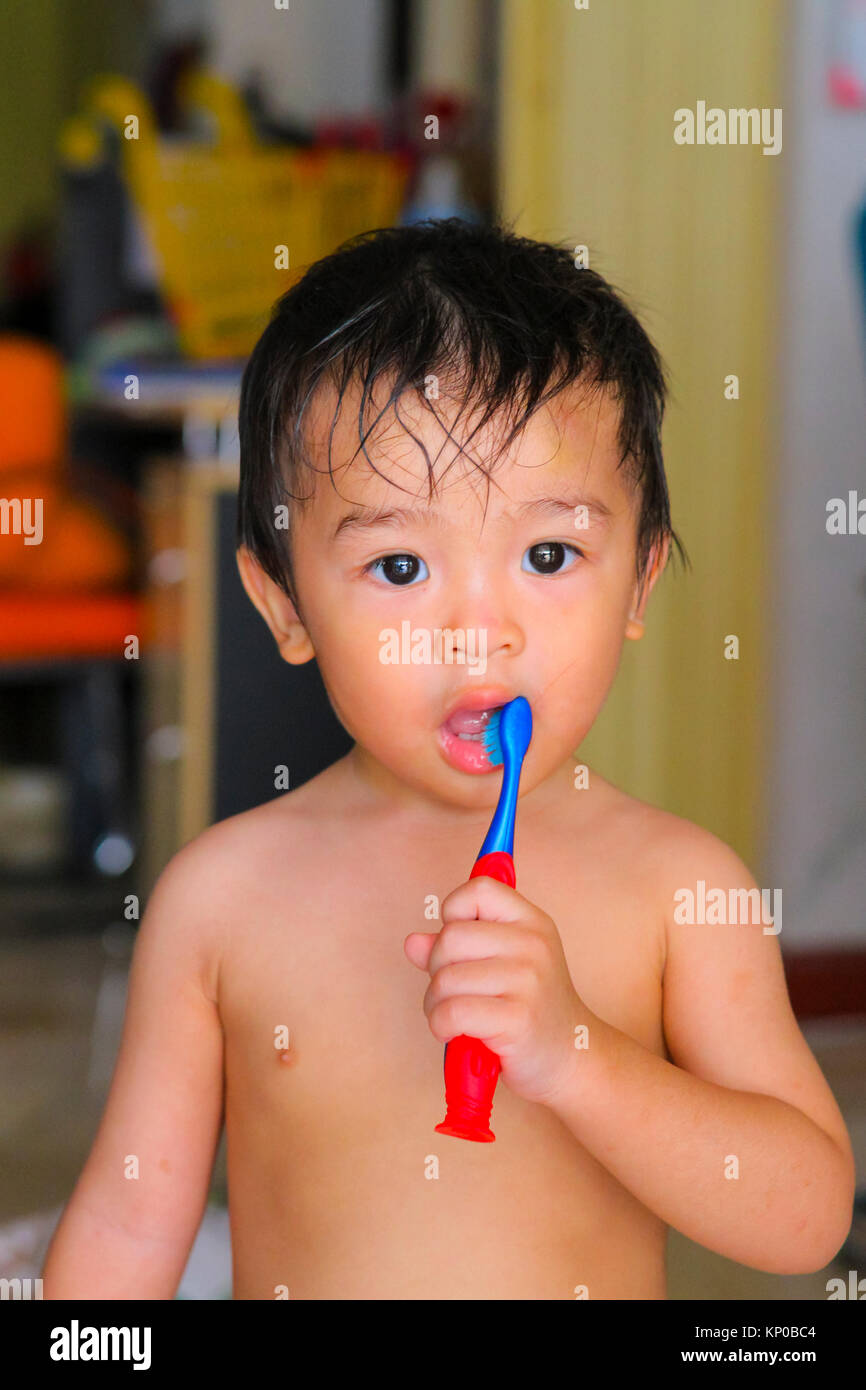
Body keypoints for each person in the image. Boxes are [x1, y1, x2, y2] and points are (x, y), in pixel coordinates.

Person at [42, 219, 855, 1299]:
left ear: (641, 584)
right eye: (397, 565)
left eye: (548, 554)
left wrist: (576, 1054)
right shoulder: (220, 899)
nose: (478, 632)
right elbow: (130, 1222)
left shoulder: (680, 889)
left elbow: (800, 1217)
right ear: (283, 603)